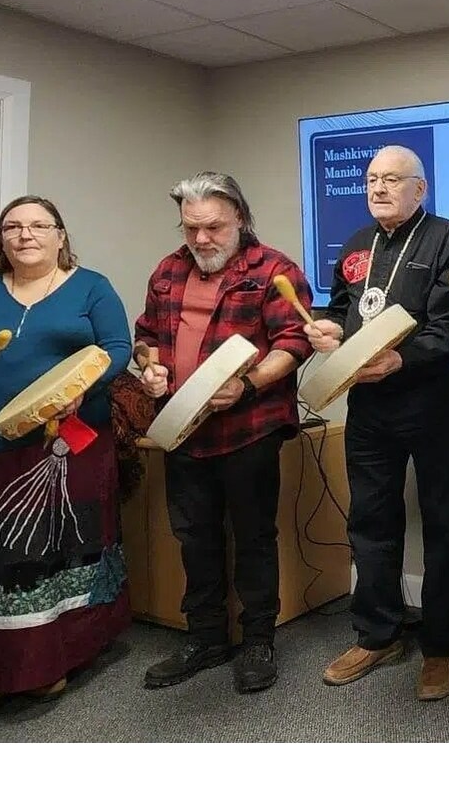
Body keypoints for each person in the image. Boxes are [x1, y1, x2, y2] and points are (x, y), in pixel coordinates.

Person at [0, 195, 133, 715]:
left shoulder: (92, 287)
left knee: (58, 552)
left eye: (39, 225)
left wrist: (82, 388)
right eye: (13, 226)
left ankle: (57, 658)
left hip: (65, 445)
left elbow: (117, 348)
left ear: (60, 236)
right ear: (1, 239)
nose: (25, 234)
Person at [132, 173, 311, 695]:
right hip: (182, 427)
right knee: (194, 537)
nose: (202, 238)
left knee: (253, 537)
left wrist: (248, 385)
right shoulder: (168, 270)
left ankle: (257, 641)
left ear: (241, 219)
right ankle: (206, 637)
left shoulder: (274, 269)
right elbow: (146, 334)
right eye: (191, 228)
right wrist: (148, 366)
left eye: (213, 227)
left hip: (248, 429)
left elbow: (294, 342)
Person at [305, 147, 449, 700]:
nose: (378, 188)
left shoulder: (447, 238)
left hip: (432, 404)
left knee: (443, 523)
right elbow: (342, 308)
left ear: (419, 189)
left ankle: (441, 645)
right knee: (370, 520)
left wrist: (402, 359)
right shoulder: (357, 243)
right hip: (369, 406)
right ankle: (378, 634)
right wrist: (327, 330)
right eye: (372, 179)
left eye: (392, 179)